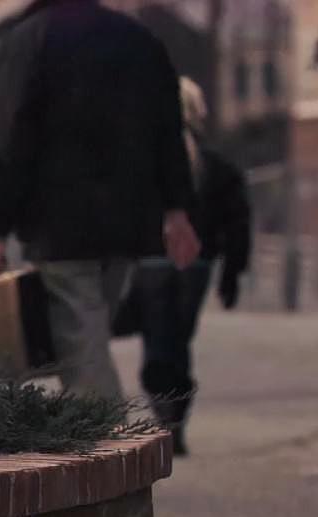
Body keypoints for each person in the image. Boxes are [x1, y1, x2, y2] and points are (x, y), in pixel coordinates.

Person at [0, 0, 200, 401]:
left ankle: (109, 444)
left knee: (81, 338)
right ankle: (102, 436)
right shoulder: (139, 39)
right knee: (91, 331)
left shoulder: (26, 41)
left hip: (59, 222)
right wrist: (176, 210)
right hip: (131, 219)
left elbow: (7, 137)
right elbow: (168, 128)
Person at [117, 77, 251, 455]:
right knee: (178, 340)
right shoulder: (217, 167)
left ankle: (166, 414)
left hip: (151, 263)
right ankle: (175, 416)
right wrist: (232, 273)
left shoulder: (139, 164)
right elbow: (237, 221)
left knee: (158, 341)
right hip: (198, 266)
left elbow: (124, 215)